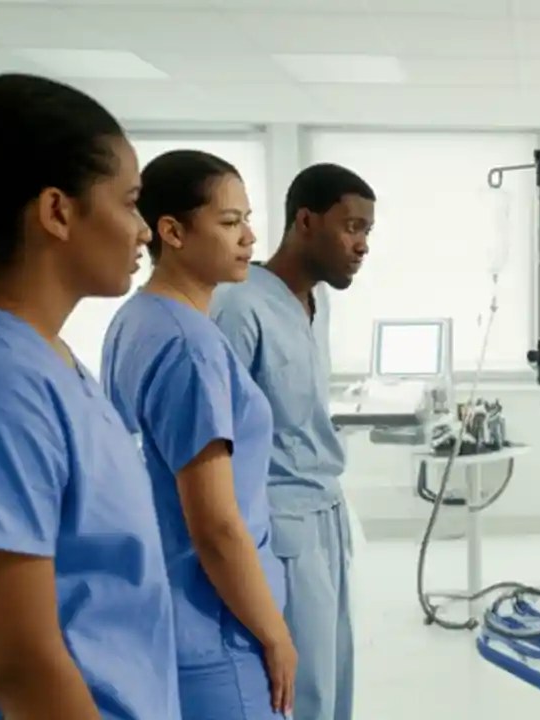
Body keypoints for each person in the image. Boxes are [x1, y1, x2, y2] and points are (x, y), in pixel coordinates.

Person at [0, 73, 178, 719]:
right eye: (129, 203)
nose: (143, 231)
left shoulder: (48, 359)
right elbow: (19, 661)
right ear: (58, 210)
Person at [101, 149, 298, 719]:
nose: (250, 238)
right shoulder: (191, 347)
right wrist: (275, 635)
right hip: (220, 630)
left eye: (248, 220)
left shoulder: (138, 321)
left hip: (174, 615)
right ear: (173, 231)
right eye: (230, 222)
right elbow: (215, 525)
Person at [211, 163, 375, 720]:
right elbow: (221, 443)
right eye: (352, 227)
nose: (362, 245)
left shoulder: (316, 301)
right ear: (305, 221)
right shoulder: (239, 306)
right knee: (299, 692)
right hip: (281, 523)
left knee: (334, 678)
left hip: (326, 513)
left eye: (367, 232)